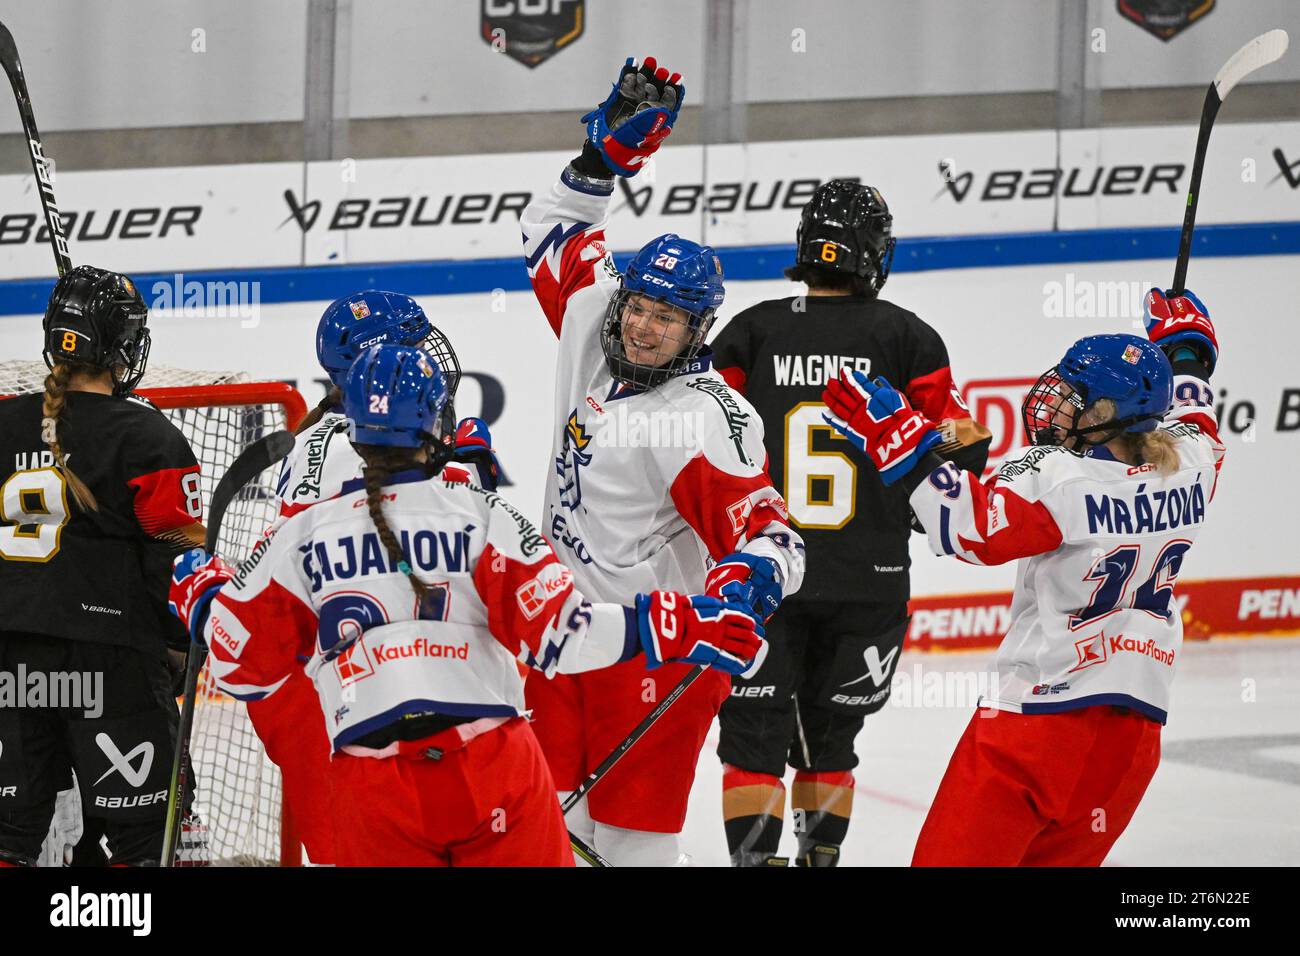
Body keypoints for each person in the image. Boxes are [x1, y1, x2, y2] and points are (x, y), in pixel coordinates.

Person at [167, 343, 765, 866]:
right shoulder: (481, 514)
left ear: (352, 431)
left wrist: (202, 596)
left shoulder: (300, 535)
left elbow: (240, 664)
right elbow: (567, 635)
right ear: (437, 422)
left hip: (373, 783)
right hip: (492, 768)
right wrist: (681, 625)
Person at [519, 54, 806, 866]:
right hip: (559, 639)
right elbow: (554, 230)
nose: (644, 327)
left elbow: (774, 537)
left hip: (649, 653)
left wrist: (751, 579)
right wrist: (599, 162)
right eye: (639, 306)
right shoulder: (593, 326)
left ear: (698, 331)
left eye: (668, 319)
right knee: (552, 832)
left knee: (632, 844)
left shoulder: (704, 420)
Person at [820, 289, 1223, 866]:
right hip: (1131, 744)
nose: (1056, 404)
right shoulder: (1192, 465)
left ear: (1106, 415)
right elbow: (1195, 408)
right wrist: (1187, 349)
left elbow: (968, 528)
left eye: (1075, 397)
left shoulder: (1060, 480)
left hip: (1036, 728)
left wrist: (895, 438)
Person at [709, 179, 992, 866]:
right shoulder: (907, 336)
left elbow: (703, 444)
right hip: (871, 580)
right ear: (875, 253)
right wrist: (965, 440)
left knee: (754, 738)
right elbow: (959, 454)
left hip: (761, 577)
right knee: (833, 739)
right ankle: (820, 861)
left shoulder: (752, 329)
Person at [251, 289, 499, 864]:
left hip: (322, 681)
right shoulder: (368, 450)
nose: (430, 362)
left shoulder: (328, 437)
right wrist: (464, 468)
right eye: (413, 350)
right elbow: (443, 552)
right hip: (339, 692)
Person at [0, 265, 205, 867]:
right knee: (143, 842)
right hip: (109, 664)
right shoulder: (147, 436)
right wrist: (177, 647)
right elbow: (176, 561)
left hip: (13, 664)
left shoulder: (2, 422)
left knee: (8, 837)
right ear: (121, 344)